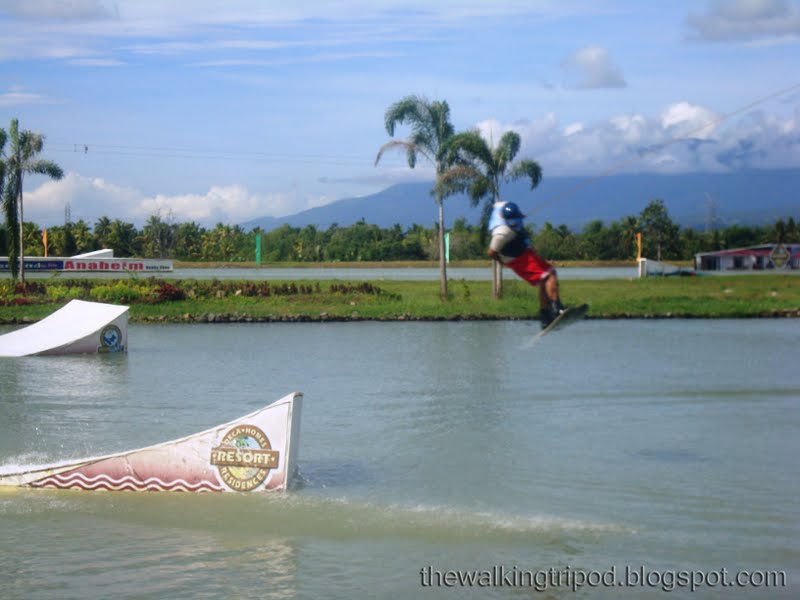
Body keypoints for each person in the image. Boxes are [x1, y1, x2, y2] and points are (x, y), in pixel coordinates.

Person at [487, 201, 565, 329]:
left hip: (522, 250)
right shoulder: (501, 233)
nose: (515, 223)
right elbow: (491, 252)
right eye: (512, 221)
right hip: (515, 257)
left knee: (546, 277)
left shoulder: (502, 207)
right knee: (548, 275)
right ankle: (557, 308)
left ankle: (545, 316)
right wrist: (501, 262)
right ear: (506, 220)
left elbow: (496, 204)